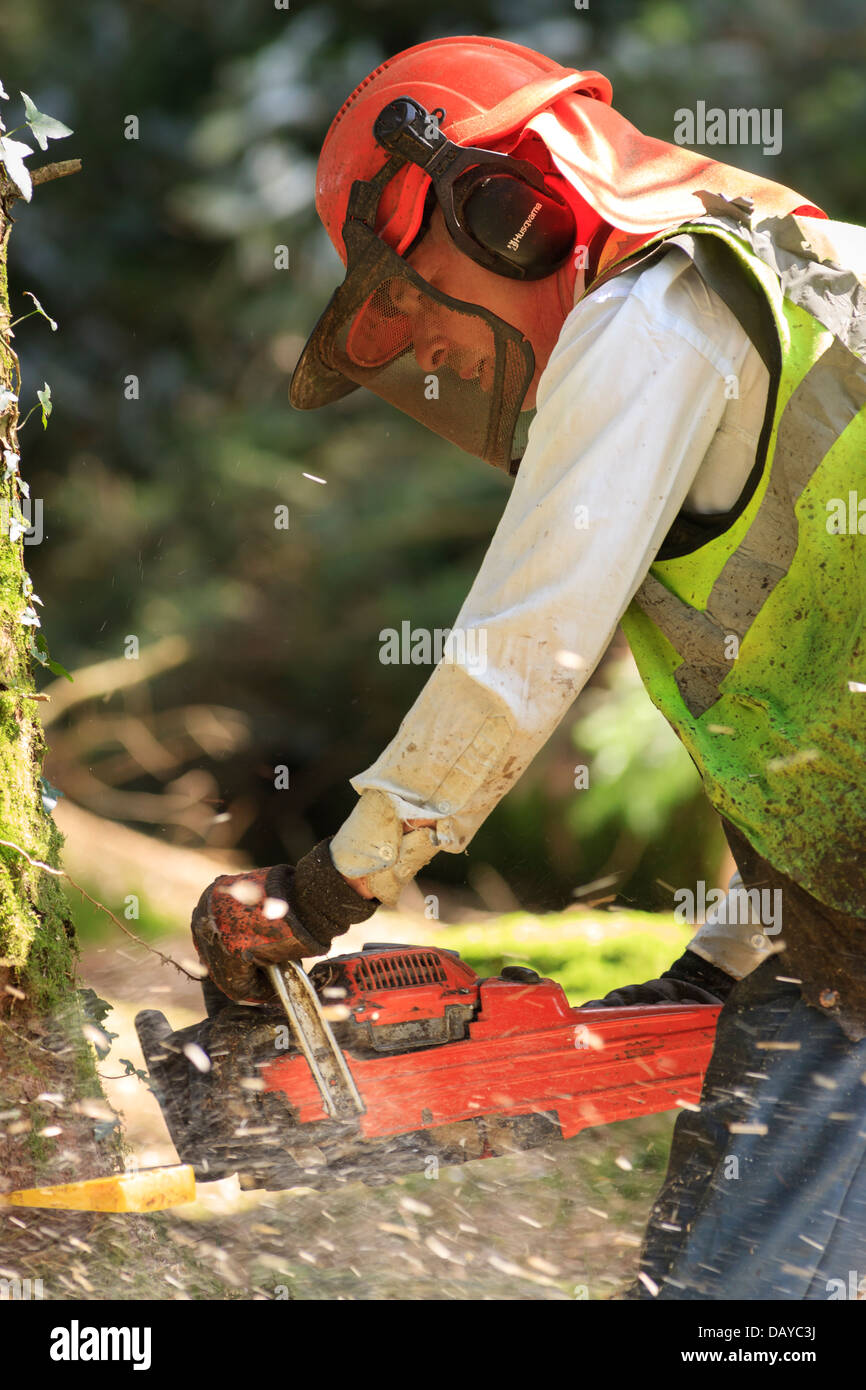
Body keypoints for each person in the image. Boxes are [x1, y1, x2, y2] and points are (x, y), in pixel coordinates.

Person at [191, 36, 866, 1299]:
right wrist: (726, 954)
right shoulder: (756, 296)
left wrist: (328, 888)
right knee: (766, 1133)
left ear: (505, 210)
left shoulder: (659, 312)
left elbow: (520, 654)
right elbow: (822, 759)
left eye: (415, 298)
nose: (434, 357)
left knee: (748, 1283)